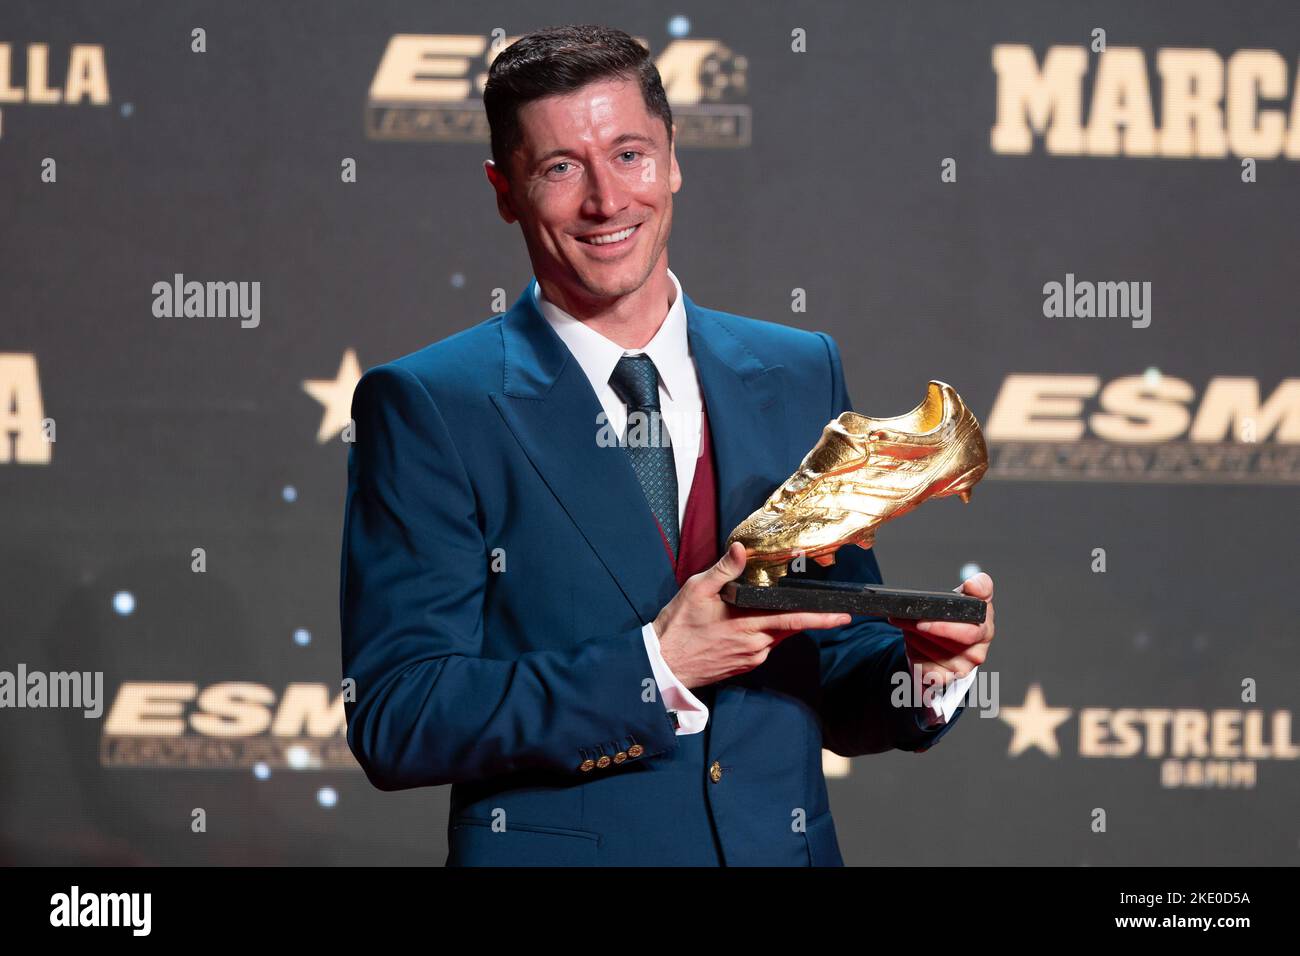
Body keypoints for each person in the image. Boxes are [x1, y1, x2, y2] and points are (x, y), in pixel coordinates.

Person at [340, 23, 995, 866]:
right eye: (560, 168)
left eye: (630, 155)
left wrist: (922, 671)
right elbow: (400, 715)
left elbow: (829, 667)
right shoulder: (432, 404)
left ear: (673, 158)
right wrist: (655, 667)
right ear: (505, 190)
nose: (607, 202)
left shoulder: (797, 371)